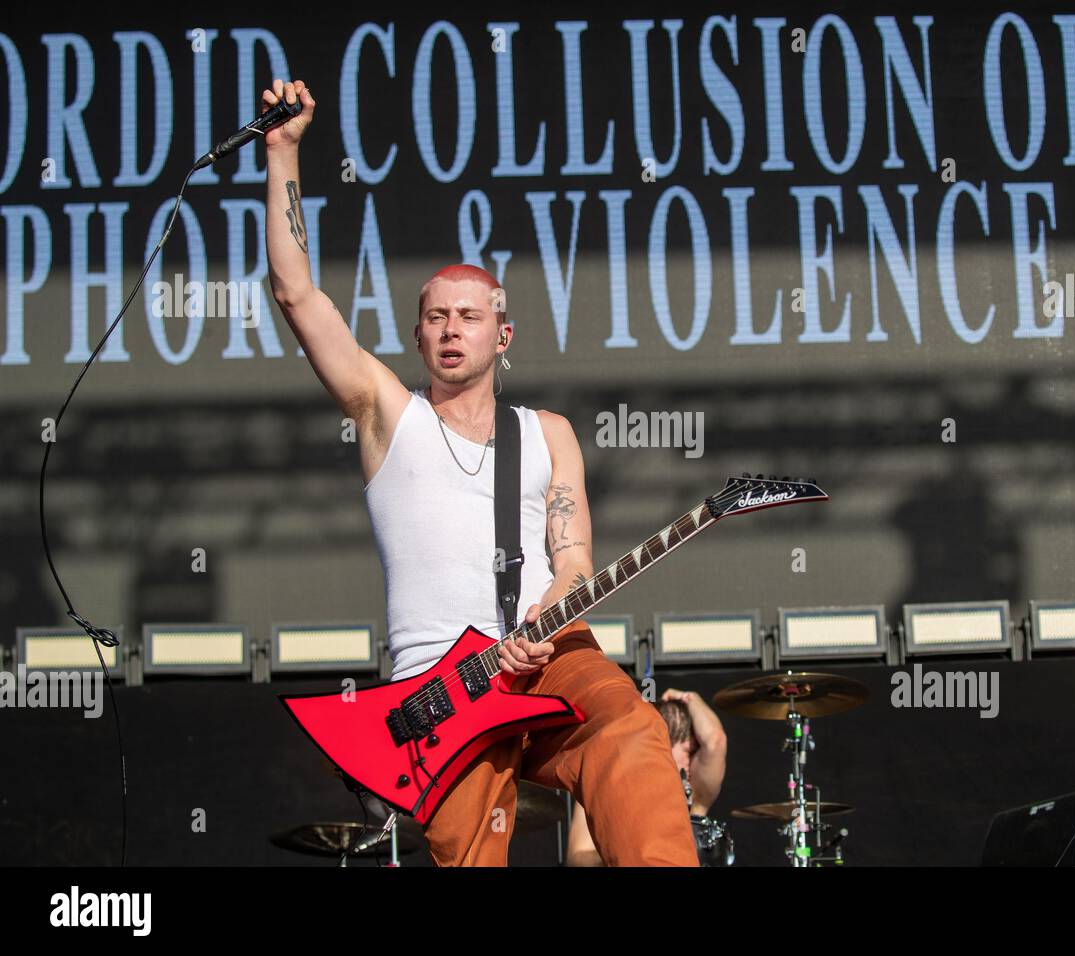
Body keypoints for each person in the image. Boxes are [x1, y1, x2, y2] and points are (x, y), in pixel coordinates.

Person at [262, 78, 697, 866]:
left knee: (633, 732)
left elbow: (573, 562)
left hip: (549, 655)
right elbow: (296, 293)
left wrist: (543, 623)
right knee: (473, 851)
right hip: (440, 685)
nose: (450, 328)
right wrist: (284, 151)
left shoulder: (547, 433)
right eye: (435, 316)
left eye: (469, 315)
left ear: (504, 335)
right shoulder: (388, 415)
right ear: (421, 336)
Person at [567, 689, 727, 866]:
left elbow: (715, 739)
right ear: (661, 743)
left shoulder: (694, 796)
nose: (693, 761)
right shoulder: (602, 782)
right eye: (689, 751)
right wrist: (625, 855)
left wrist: (688, 697)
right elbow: (577, 858)